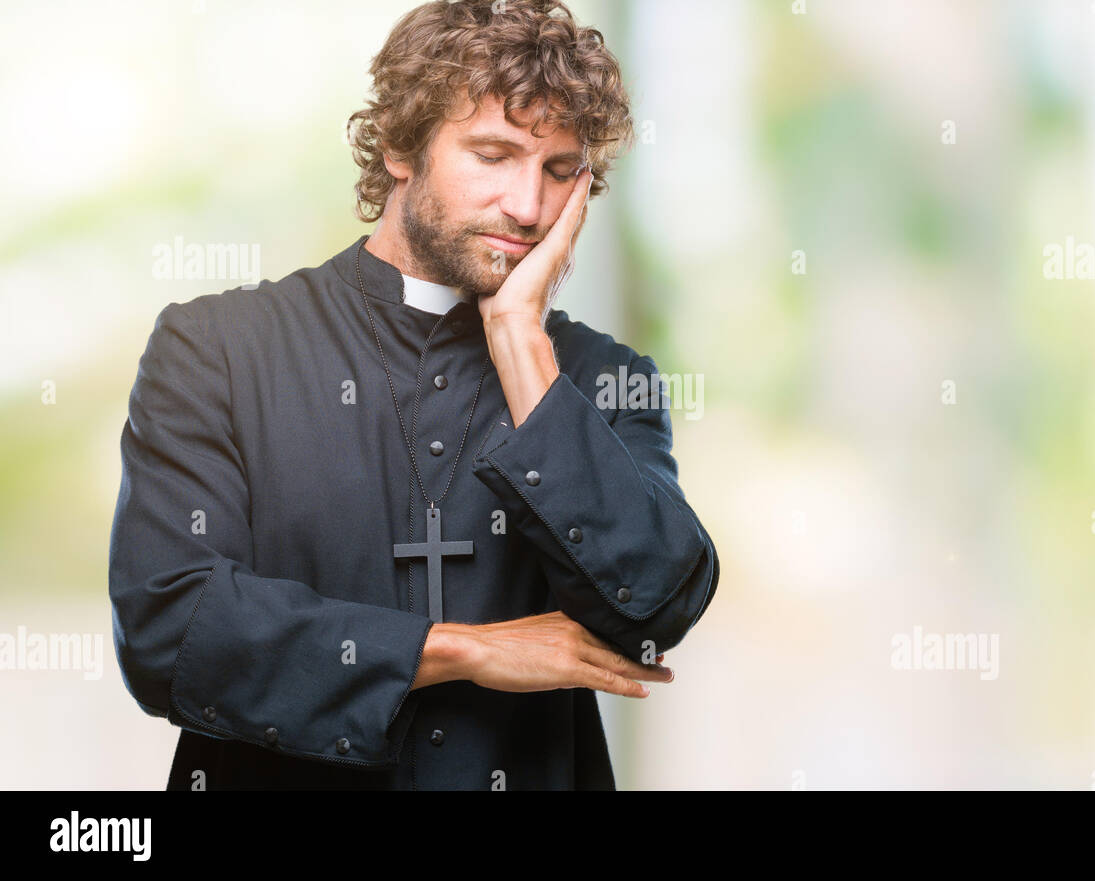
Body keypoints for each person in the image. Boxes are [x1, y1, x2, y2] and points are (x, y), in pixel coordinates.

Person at [108, 0, 719, 791]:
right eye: (493, 155)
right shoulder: (215, 348)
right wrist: (460, 647)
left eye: (561, 171)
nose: (529, 208)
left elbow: (653, 608)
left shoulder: (605, 375)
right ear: (400, 145)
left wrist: (521, 342)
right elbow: (169, 628)